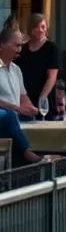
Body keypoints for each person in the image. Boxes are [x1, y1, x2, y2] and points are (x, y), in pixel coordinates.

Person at [0, 28, 46, 165]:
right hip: (5, 119)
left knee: (30, 119)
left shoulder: (16, 69)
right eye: (17, 45)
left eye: (21, 45)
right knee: (9, 115)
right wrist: (17, 108)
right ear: (1, 45)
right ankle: (29, 154)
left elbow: (23, 97)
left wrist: (31, 108)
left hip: (14, 120)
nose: (20, 49)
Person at [16, 13, 60, 107]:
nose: (40, 30)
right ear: (30, 29)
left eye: (43, 27)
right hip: (23, 98)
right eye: (36, 27)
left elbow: (51, 77)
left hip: (43, 97)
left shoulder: (51, 48)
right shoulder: (23, 48)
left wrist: (42, 98)